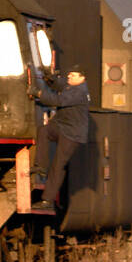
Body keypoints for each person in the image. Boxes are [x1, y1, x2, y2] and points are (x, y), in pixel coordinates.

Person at [31, 64, 90, 213]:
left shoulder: (80, 92)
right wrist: (49, 78)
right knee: (44, 131)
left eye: (73, 75)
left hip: (72, 135)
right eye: (69, 74)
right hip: (62, 127)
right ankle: (41, 166)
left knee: (58, 165)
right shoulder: (72, 86)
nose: (69, 76)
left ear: (82, 78)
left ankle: (47, 200)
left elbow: (57, 100)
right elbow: (60, 84)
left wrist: (38, 93)